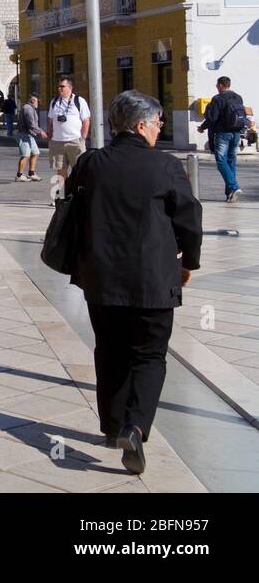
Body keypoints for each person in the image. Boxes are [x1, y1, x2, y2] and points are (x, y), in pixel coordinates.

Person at [65, 90, 202, 473]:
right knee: (149, 355)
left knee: (109, 350)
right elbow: (189, 219)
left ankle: (111, 428)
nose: (160, 128)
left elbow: (74, 211)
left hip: (102, 278)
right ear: (141, 125)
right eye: (158, 122)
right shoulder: (166, 167)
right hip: (153, 281)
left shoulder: (91, 163)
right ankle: (135, 426)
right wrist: (188, 262)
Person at [198, 76, 247, 202]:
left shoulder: (218, 98)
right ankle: (230, 194)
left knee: (221, 161)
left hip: (223, 133)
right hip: (236, 133)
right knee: (231, 161)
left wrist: (202, 127)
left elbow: (213, 118)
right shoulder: (238, 97)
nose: (216, 87)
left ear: (220, 85)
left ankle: (234, 186)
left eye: (217, 85)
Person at [47, 77, 91, 181]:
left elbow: (86, 120)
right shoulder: (54, 102)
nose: (59, 88)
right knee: (60, 170)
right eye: (58, 86)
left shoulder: (79, 101)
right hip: (57, 142)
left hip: (74, 141)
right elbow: (50, 121)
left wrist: (82, 138)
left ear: (70, 87)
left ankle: (77, 193)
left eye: (62, 86)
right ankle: (63, 193)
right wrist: (50, 137)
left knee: (79, 169)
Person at [15, 95, 47, 182]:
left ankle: (31, 173)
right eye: (38, 101)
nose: (39, 103)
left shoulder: (31, 108)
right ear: (33, 100)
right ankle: (19, 175)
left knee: (35, 153)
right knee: (25, 155)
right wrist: (41, 132)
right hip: (23, 135)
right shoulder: (28, 108)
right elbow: (31, 124)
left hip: (29, 135)